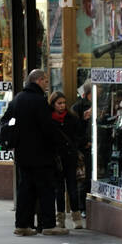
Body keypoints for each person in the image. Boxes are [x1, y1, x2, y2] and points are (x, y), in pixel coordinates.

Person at [0, 69, 60, 236]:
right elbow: (47, 128)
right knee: (46, 189)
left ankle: (22, 224)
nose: (47, 84)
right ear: (38, 81)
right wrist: (56, 144)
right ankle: (48, 225)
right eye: (45, 81)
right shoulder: (40, 101)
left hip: (22, 153)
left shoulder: (18, 99)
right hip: (41, 153)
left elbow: (6, 120)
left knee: (25, 188)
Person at [50, 90, 84, 230]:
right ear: (53, 104)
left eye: (64, 103)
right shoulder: (49, 119)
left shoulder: (72, 118)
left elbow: (79, 135)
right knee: (59, 189)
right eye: (59, 103)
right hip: (56, 159)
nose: (62, 106)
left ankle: (76, 217)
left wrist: (75, 147)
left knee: (72, 188)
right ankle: (61, 218)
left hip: (70, 158)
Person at [71, 78, 93, 217]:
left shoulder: (94, 105)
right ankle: (81, 207)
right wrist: (84, 143)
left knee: (88, 177)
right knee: (83, 178)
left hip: (89, 147)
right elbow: (76, 130)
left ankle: (83, 206)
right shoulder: (79, 107)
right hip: (83, 148)